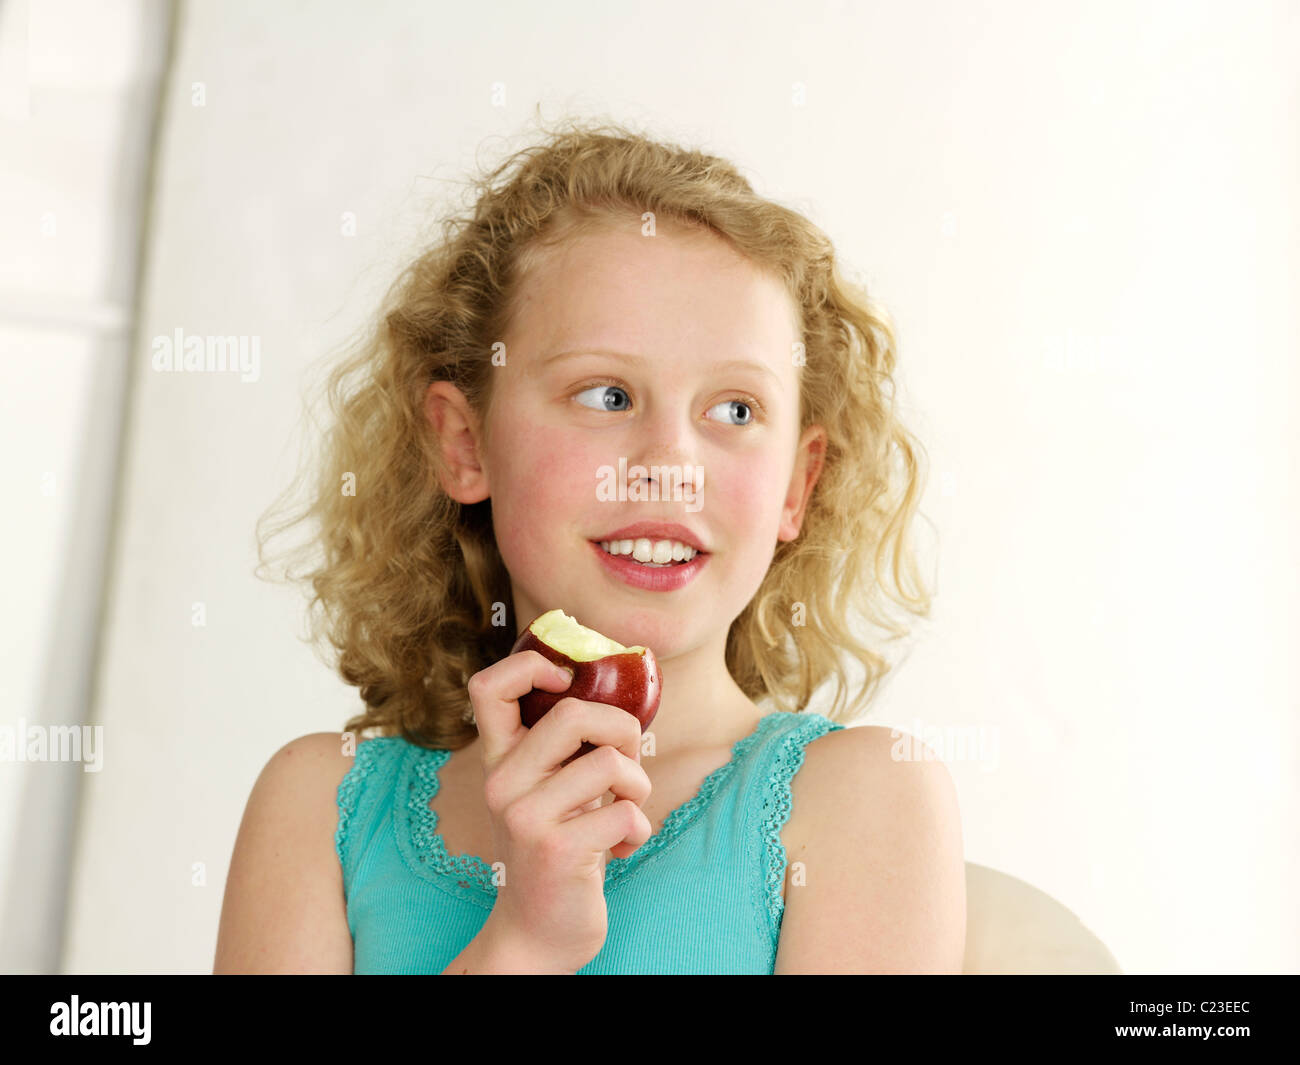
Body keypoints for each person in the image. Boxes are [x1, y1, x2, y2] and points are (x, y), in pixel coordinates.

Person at [213, 116, 965, 975]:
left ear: (797, 485)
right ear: (465, 443)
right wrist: (522, 942)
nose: (671, 466)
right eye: (606, 395)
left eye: (735, 410)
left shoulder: (862, 801)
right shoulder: (320, 808)